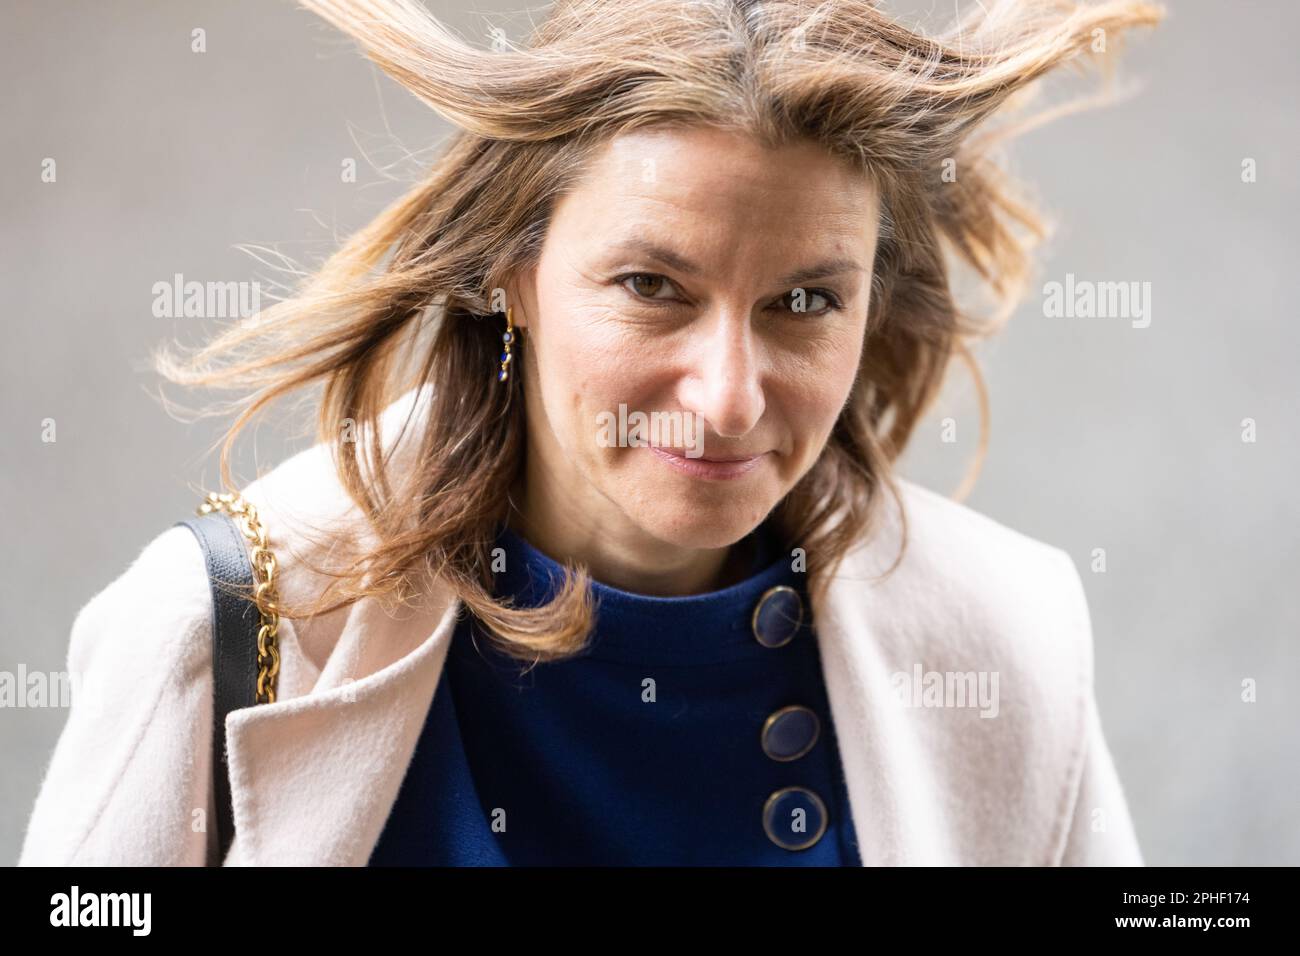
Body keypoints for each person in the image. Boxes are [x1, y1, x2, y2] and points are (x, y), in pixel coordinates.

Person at [18, 0, 1161, 866]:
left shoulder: (1008, 640)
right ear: (513, 274)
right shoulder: (223, 630)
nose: (725, 396)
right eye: (652, 284)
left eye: (805, 301)